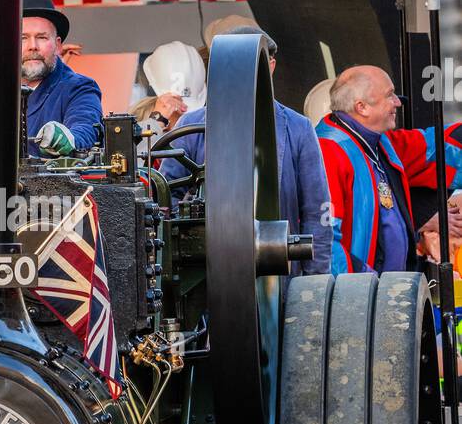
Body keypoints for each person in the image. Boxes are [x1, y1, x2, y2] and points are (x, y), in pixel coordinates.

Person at [163, 25, 333, 276]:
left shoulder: (297, 128)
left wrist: (314, 286)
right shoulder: (190, 126)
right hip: (207, 276)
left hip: (280, 277)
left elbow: (316, 210)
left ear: (270, 66)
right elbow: (167, 197)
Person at [317, 65, 462, 275]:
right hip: (362, 296)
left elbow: (438, 149)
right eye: (389, 95)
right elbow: (325, 243)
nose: (398, 102)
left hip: (389, 290)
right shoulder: (330, 150)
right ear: (362, 107)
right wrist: (365, 288)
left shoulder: (380, 141)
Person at [22, 0, 103, 157]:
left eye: (42, 37)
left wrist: (69, 138)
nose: (33, 46)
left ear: (58, 45)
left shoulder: (79, 88)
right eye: (22, 38)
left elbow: (86, 127)